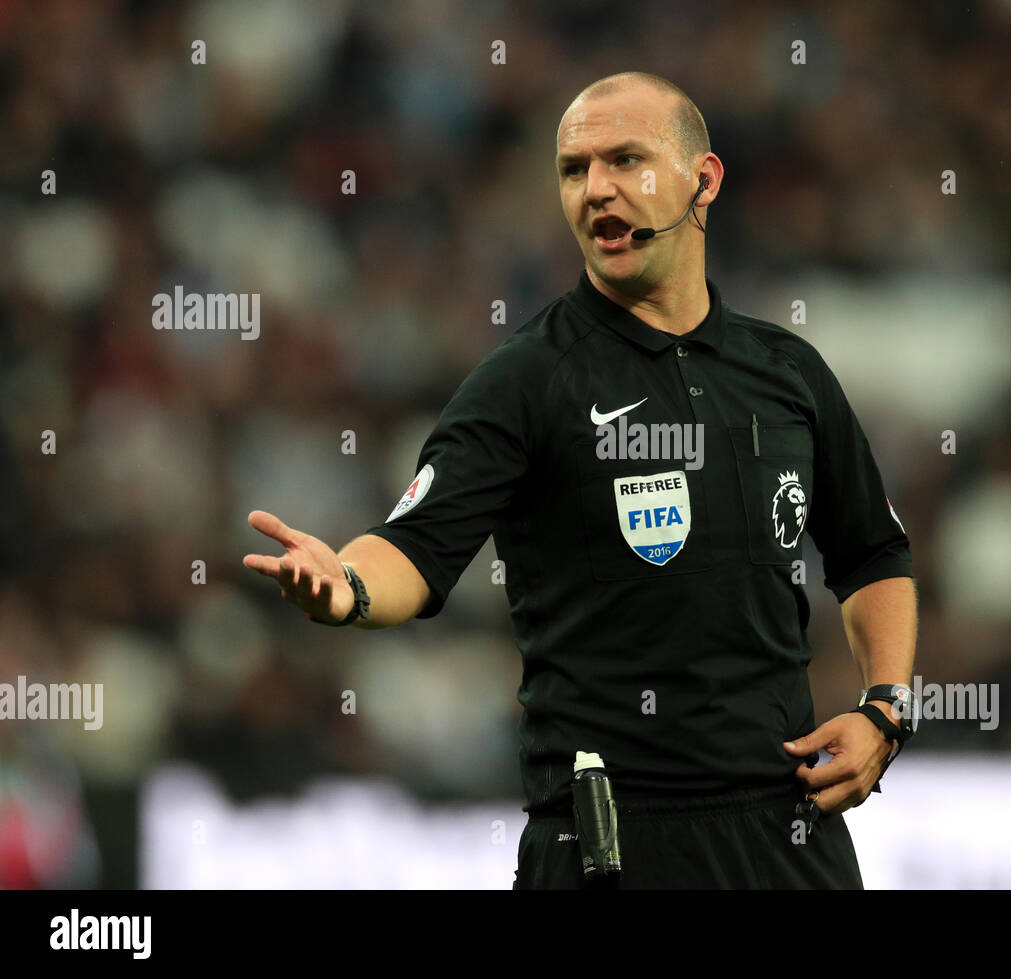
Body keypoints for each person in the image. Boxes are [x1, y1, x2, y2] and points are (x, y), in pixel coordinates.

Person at [243, 71, 918, 889]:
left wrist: (885, 708)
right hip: (610, 847)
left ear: (702, 180)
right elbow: (414, 551)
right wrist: (346, 582)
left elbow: (873, 554)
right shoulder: (528, 379)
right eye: (574, 169)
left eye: (626, 160)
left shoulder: (787, 372)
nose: (596, 190)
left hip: (790, 833)